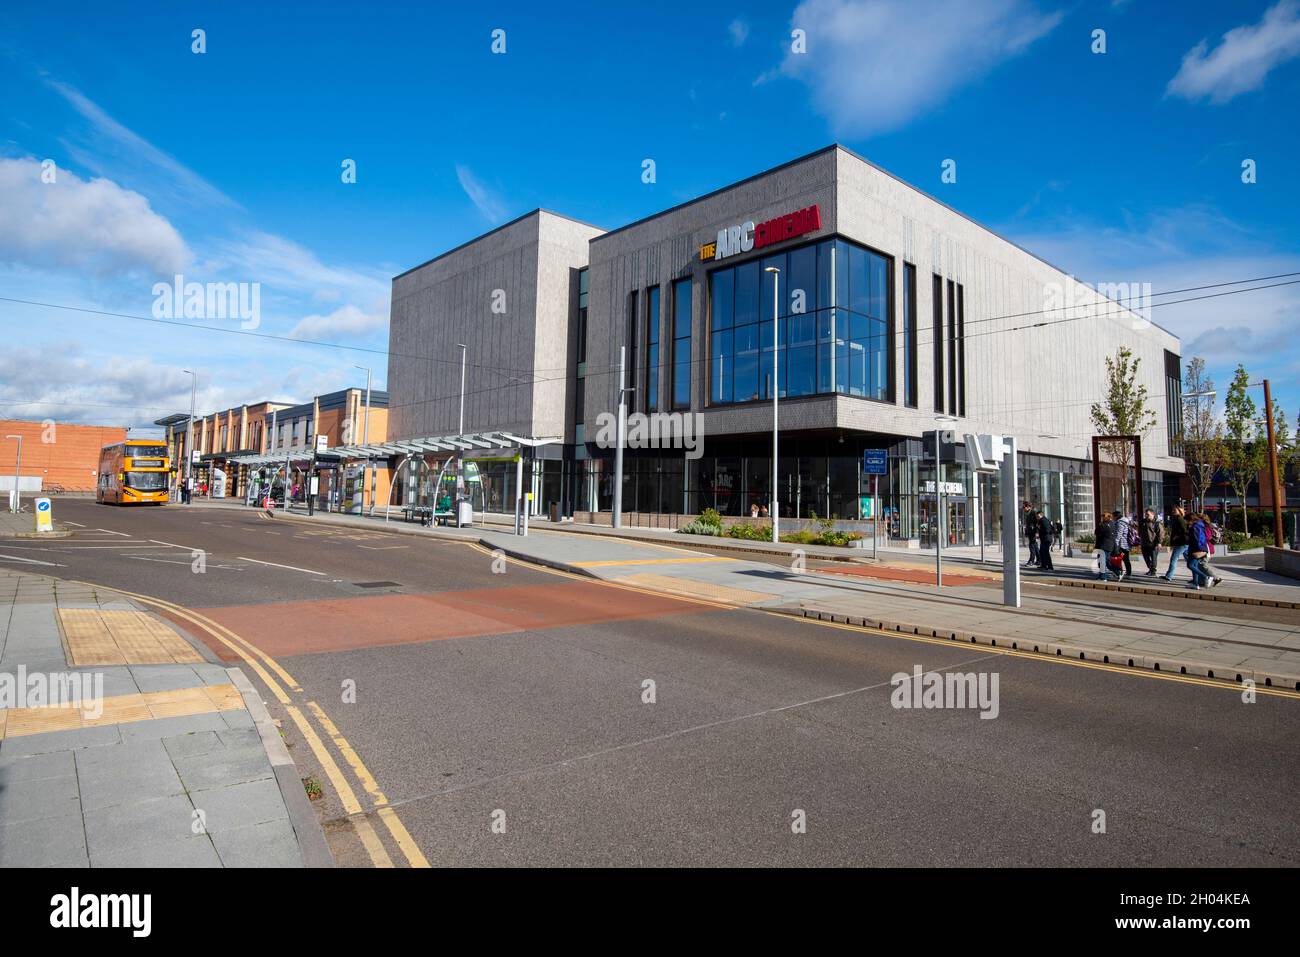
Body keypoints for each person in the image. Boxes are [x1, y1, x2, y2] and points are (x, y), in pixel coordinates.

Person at [1163, 506, 1188, 583]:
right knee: (1190, 561)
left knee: (1173, 559)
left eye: (1175, 510)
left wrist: (1177, 536)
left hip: (1181, 543)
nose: (1173, 511)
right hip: (1183, 543)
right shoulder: (1176, 519)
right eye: (1173, 510)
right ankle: (1198, 576)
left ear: (1180, 511)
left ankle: (1169, 576)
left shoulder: (1180, 519)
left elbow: (1185, 530)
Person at [1186, 513, 1210, 590]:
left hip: (1196, 548)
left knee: (1190, 565)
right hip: (1197, 548)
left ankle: (1206, 577)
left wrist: (1199, 549)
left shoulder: (1194, 527)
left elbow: (1197, 539)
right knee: (1195, 565)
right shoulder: (1199, 525)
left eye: (1186, 521)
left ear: (1190, 520)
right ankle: (1195, 584)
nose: (1185, 522)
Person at [1093, 512, 1118, 581]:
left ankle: (1104, 576)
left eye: (1104, 516)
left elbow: (1097, 532)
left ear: (1108, 517)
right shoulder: (1111, 524)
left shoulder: (1105, 525)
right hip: (1106, 545)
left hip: (1105, 545)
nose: (1102, 517)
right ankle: (1103, 575)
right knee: (1104, 561)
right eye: (1102, 516)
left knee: (1103, 561)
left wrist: (1100, 525)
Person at [1139, 508, 1162, 575]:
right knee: (1146, 558)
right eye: (1145, 514)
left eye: (1148, 514)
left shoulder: (1156, 523)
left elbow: (1160, 533)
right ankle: (1150, 569)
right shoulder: (1143, 521)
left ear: (1152, 514)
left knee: (1153, 558)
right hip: (1144, 543)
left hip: (1153, 543)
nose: (1146, 516)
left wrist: (1159, 543)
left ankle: (1153, 571)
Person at [1114, 511, 1135, 580]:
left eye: (1113, 516)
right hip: (1126, 544)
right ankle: (1128, 573)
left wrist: (1115, 543)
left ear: (1116, 516)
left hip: (1121, 544)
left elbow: (1118, 534)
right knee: (1126, 559)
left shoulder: (1120, 523)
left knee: (1119, 559)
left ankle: (1120, 573)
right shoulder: (1126, 521)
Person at [1023, 502, 1040, 567]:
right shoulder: (1028, 513)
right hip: (1030, 532)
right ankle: (1039, 560)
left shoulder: (1033, 513)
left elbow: (1037, 523)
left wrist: (1037, 532)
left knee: (1032, 547)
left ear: (1029, 507)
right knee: (1035, 547)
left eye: (1024, 507)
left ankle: (1031, 561)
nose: (1023, 508)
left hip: (1033, 532)